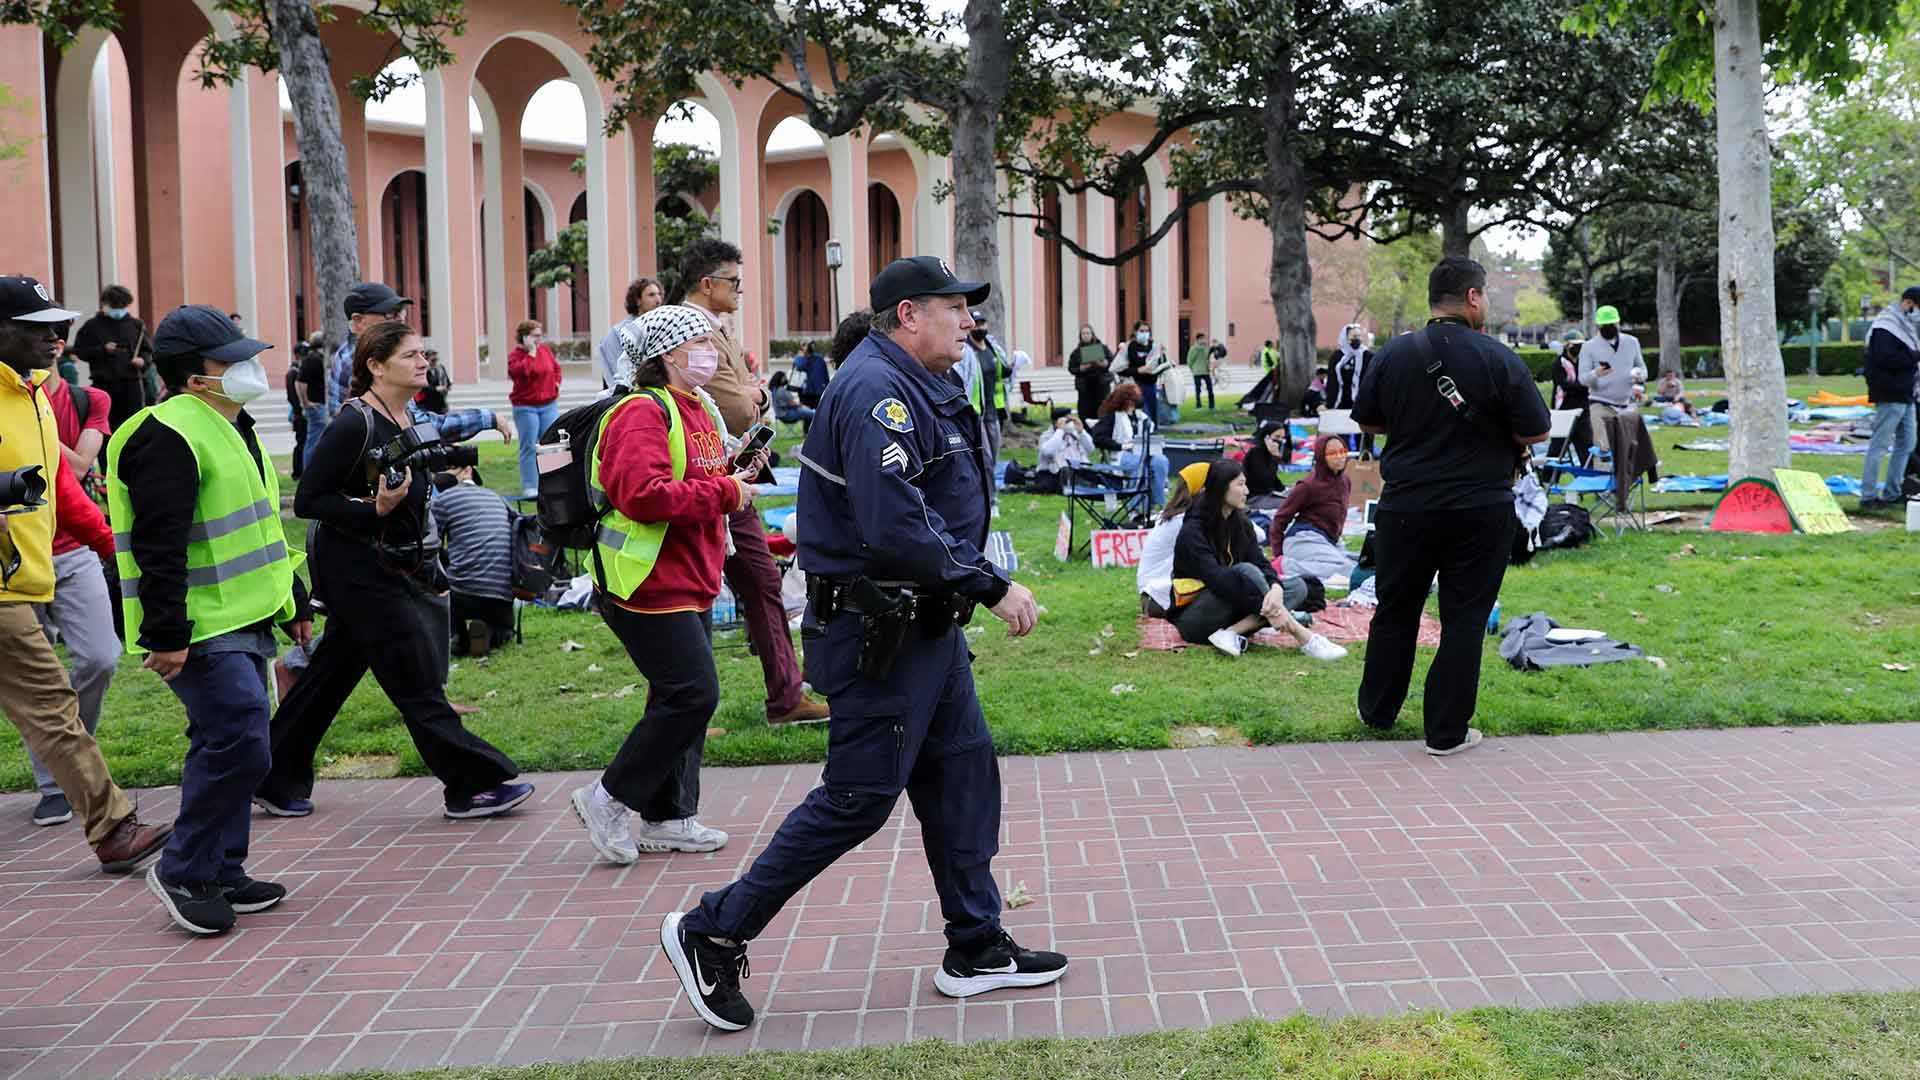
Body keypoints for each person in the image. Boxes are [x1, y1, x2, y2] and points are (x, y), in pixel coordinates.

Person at [661, 255, 1066, 1033]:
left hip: (925, 628)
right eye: (955, 308)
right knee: (857, 798)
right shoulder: (877, 390)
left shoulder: (913, 380)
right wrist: (991, 583)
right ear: (909, 314)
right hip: (881, 631)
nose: (969, 321)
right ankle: (712, 929)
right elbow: (896, 524)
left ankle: (976, 946)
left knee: (961, 776)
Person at [257, 320, 531, 820]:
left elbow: (415, 473)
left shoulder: (409, 416)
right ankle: (472, 785)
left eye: (423, 353)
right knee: (415, 677)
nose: (423, 362)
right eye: (409, 356)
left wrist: (451, 471)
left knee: (328, 678)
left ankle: (273, 775)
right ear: (375, 367)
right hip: (358, 569)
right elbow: (312, 500)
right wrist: (374, 511)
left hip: (393, 564)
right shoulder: (353, 423)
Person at [107, 305, 311, 935]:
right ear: (197, 377)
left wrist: (293, 598)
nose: (252, 367)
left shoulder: (230, 423)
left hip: (244, 616)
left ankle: (223, 867)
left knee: (230, 741)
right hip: (196, 627)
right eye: (235, 360)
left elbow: (259, 528)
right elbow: (158, 544)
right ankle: (184, 869)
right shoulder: (165, 435)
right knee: (241, 740)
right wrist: (166, 634)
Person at [570, 304, 765, 865]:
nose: (713, 352)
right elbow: (644, 495)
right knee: (693, 693)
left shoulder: (698, 407)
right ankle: (607, 797)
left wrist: (738, 473)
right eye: (701, 342)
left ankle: (670, 814)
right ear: (668, 354)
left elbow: (700, 477)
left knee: (679, 695)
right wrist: (728, 494)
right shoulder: (639, 412)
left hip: (691, 573)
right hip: (645, 579)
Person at [0, 284, 172, 873]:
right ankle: (114, 829)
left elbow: (60, 490)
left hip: (17, 587)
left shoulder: (35, 399)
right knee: (53, 709)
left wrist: (112, 547)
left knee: (54, 706)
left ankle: (114, 828)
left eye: (59, 326)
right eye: (37, 326)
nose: (56, 337)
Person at [1352, 256, 1549, 756]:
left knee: (1395, 608)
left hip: (1406, 505)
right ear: (1473, 297)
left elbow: (1369, 421)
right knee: (1463, 616)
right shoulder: (1498, 357)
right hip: (1478, 507)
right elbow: (1536, 429)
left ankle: (1377, 709)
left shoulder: (1393, 355)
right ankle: (1446, 732)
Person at [680, 237, 830, 726]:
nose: (740, 290)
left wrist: (751, 394)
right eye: (734, 281)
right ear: (707, 284)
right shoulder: (693, 329)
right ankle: (766, 699)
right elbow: (741, 405)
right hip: (705, 477)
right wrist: (755, 396)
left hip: (722, 474)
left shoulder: (713, 327)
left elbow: (744, 397)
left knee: (748, 582)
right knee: (717, 588)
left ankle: (779, 697)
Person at [25, 322, 118, 829]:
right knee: (38, 682)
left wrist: (33, 426)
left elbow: (79, 468)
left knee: (101, 657)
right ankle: (55, 782)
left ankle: (72, 751)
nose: (48, 345)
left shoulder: (88, 399)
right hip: (15, 557)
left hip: (72, 548)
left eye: (54, 336)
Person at [1172, 460, 1346, 660]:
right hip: (1197, 618)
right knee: (1246, 570)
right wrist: (1273, 607)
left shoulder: (1240, 524)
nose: (1247, 491)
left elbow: (1261, 562)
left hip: (1233, 608)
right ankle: (1304, 636)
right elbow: (1217, 579)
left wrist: (1275, 588)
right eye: (1240, 484)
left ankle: (1231, 633)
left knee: (1297, 587)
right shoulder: (1193, 530)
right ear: (1221, 487)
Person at [431, 464, 516, 657]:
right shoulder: (496, 498)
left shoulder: (444, 499)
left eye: (450, 468)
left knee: (436, 561)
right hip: (502, 591)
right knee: (504, 633)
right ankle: (493, 634)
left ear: (468, 470)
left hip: (463, 593)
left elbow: (430, 544)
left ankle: (459, 635)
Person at [1860, 287, 1920, 510]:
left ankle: (1892, 492)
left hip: (1906, 393)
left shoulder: (1904, 327)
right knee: (1880, 445)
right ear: (1908, 303)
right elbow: (1885, 358)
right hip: (1890, 392)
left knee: (1907, 443)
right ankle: (1868, 495)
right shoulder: (1885, 326)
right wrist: (1915, 356)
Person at [1270, 435, 1359, 584]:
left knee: (1359, 562)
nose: (1339, 457)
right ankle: (1285, 565)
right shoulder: (1308, 485)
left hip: (1327, 541)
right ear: (1321, 457)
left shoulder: (1345, 480)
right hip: (1303, 539)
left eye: (1342, 451)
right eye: (1332, 453)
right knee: (1346, 568)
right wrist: (1278, 554)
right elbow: (1280, 519)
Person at [70, 284, 154, 431]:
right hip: (103, 383)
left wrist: (143, 360)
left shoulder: (137, 325)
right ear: (105, 304)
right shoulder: (92, 326)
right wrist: (102, 350)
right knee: (105, 425)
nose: (118, 309)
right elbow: (80, 350)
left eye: (122, 305)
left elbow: (148, 351)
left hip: (132, 383)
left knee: (133, 425)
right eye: (114, 305)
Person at [329, 282, 413, 419]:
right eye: (391, 313)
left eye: (402, 311)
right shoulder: (357, 359)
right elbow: (406, 419)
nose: (401, 319)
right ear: (358, 320)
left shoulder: (379, 352)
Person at [955, 309, 1008, 514]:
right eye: (976, 324)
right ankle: (989, 501)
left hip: (993, 410)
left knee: (992, 458)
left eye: (983, 323)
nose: (980, 328)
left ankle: (989, 495)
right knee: (984, 459)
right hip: (976, 413)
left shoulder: (991, 348)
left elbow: (1003, 374)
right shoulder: (967, 351)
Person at [1577, 305, 1646, 454]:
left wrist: (1639, 374)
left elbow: (1642, 368)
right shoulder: (1589, 347)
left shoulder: (1632, 342)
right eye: (1605, 325)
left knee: (1629, 448)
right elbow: (1582, 379)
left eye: (1612, 324)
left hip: (1626, 404)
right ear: (1598, 325)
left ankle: (1627, 477)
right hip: (1600, 404)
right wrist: (1596, 373)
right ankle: (1603, 475)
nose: (1609, 327)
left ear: (1618, 323)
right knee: (1604, 449)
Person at [507, 320, 563, 498]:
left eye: (540, 335)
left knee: (552, 444)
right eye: (534, 336)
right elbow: (520, 373)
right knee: (529, 446)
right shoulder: (516, 356)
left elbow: (555, 369)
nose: (538, 340)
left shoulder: (545, 351)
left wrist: (556, 383)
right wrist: (530, 353)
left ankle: (554, 484)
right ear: (524, 337)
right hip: (526, 407)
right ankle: (531, 485)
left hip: (548, 405)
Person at [1096, 382, 1168, 511]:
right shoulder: (1113, 417)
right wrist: (1121, 446)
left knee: (1160, 461)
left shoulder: (1142, 417)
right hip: (1121, 455)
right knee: (1141, 466)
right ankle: (1136, 508)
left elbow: (1151, 434)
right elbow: (1099, 438)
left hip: (1143, 452)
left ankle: (1158, 502)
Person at [597, 278, 667, 391]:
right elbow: (616, 370)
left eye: (659, 294)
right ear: (638, 300)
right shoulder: (620, 331)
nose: (658, 300)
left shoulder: (662, 328)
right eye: (651, 295)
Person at [1330, 324, 1376, 458]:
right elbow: (1332, 382)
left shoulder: (1368, 356)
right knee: (1342, 437)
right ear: (1345, 338)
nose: (1357, 339)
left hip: (1362, 403)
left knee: (1363, 436)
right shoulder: (1337, 356)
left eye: (1359, 336)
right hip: (1342, 402)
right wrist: (1329, 403)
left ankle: (1364, 462)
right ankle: (1343, 460)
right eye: (1354, 337)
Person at [1120, 320, 1166, 425]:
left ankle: (1153, 430)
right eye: (1142, 331)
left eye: (1147, 331)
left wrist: (1164, 361)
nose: (1145, 333)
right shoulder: (1130, 347)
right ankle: (1142, 431)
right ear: (1136, 332)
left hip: (1151, 383)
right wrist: (1138, 370)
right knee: (1142, 412)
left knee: (1152, 410)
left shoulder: (1153, 346)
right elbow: (1122, 369)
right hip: (1136, 384)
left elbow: (1158, 364)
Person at [1033, 413, 1094, 493]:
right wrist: (1060, 431)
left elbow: (1090, 449)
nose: (1069, 424)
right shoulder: (1047, 436)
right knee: (1046, 487)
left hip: (1078, 471)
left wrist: (1081, 431)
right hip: (1053, 472)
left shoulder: (1075, 434)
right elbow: (1048, 452)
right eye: (1067, 422)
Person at [296, 332, 330, 472]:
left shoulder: (315, 358)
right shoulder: (313, 359)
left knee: (316, 439)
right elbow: (300, 382)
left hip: (318, 404)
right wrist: (306, 402)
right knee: (314, 440)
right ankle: (309, 471)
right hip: (316, 405)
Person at [1068, 324, 1115, 422]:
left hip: (1101, 384)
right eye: (1083, 333)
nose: (1086, 335)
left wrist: (1105, 364)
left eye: (1088, 333)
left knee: (1103, 409)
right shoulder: (1076, 352)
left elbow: (1113, 363)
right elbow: (1071, 368)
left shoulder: (1103, 348)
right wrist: (1081, 368)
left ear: (1092, 334)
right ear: (1080, 336)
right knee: (1085, 412)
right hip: (1085, 386)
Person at [1242, 419, 1292, 501]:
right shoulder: (1256, 452)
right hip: (1254, 496)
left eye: (1282, 438)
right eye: (1277, 437)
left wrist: (1284, 490)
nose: (1279, 441)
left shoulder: (1269, 452)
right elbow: (1264, 479)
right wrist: (1275, 457)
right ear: (1267, 437)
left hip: (1267, 493)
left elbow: (1273, 478)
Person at [791, 339, 831, 407]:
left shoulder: (819, 359)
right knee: (807, 414)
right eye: (804, 345)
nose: (808, 347)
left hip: (818, 392)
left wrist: (827, 388)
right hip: (805, 392)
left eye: (809, 344)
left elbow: (825, 375)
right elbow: (800, 366)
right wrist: (804, 355)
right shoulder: (799, 359)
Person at [1186, 331, 1216, 410]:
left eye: (1204, 339)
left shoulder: (1206, 348)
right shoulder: (1193, 348)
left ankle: (1212, 406)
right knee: (1198, 389)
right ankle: (1198, 405)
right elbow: (1189, 360)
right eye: (1202, 339)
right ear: (1198, 340)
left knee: (1210, 388)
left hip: (1206, 371)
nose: (1204, 340)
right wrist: (1192, 369)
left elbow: (1208, 357)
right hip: (1197, 372)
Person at [418, 347, 452, 415]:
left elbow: (446, 380)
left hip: (442, 403)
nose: (435, 362)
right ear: (427, 360)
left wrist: (448, 386)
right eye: (433, 360)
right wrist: (436, 389)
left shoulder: (441, 368)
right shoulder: (423, 371)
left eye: (437, 359)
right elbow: (422, 387)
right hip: (428, 405)